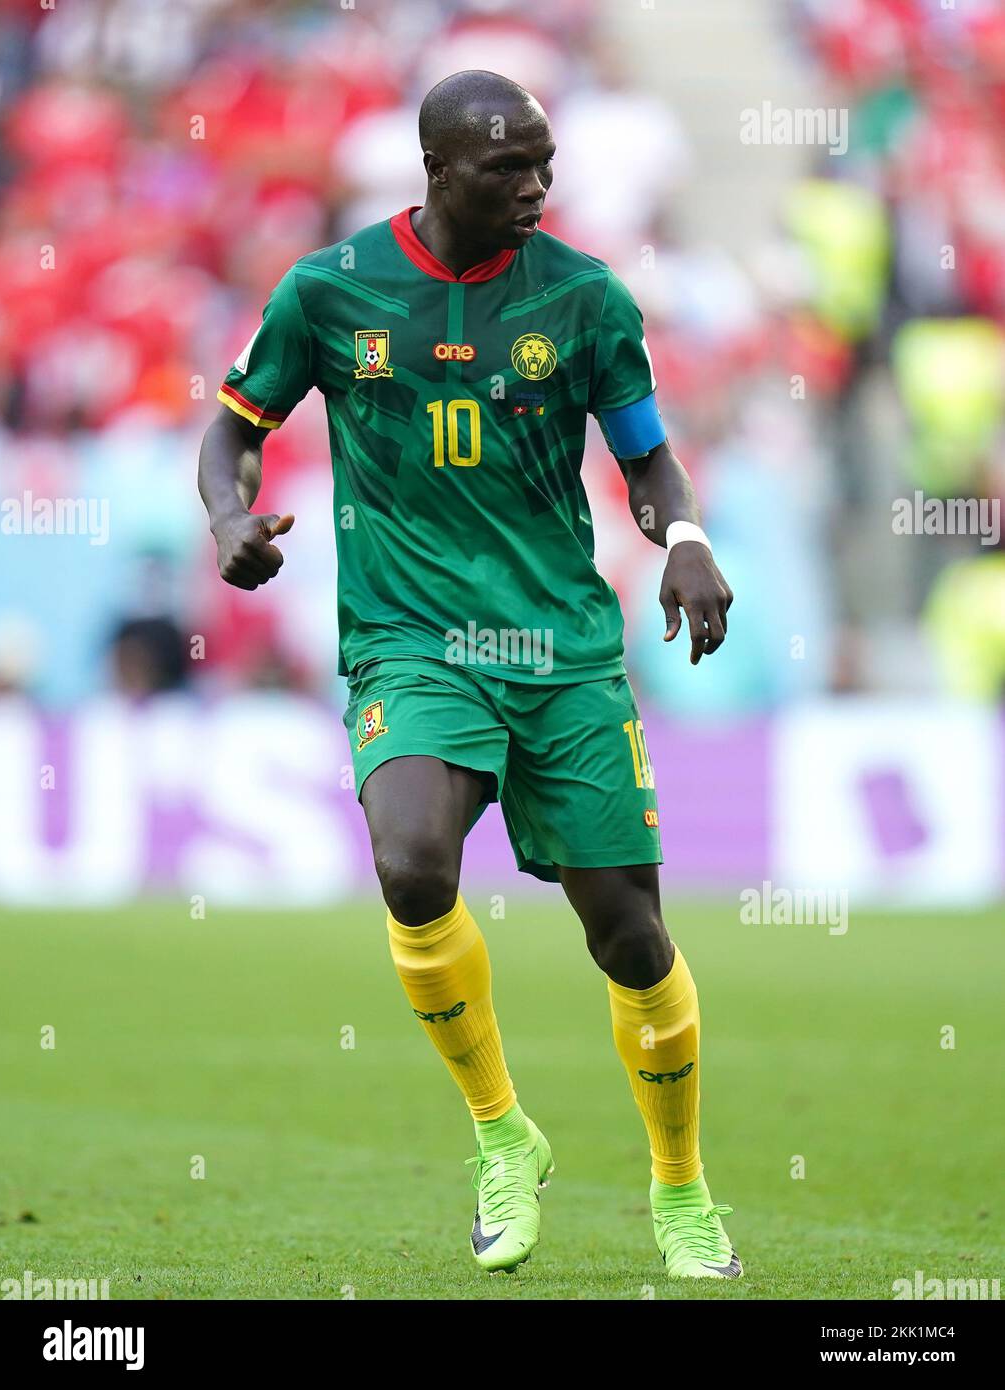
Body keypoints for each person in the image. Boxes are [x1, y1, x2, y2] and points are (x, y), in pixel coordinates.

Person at [198, 70, 739, 1279]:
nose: (537, 185)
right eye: (510, 169)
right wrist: (228, 517)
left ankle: (679, 1184)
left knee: (631, 940)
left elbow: (649, 460)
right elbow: (234, 426)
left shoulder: (588, 298)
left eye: (544, 162)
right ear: (439, 172)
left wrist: (687, 541)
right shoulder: (330, 293)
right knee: (411, 864)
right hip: (411, 638)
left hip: (561, 651)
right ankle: (503, 1135)